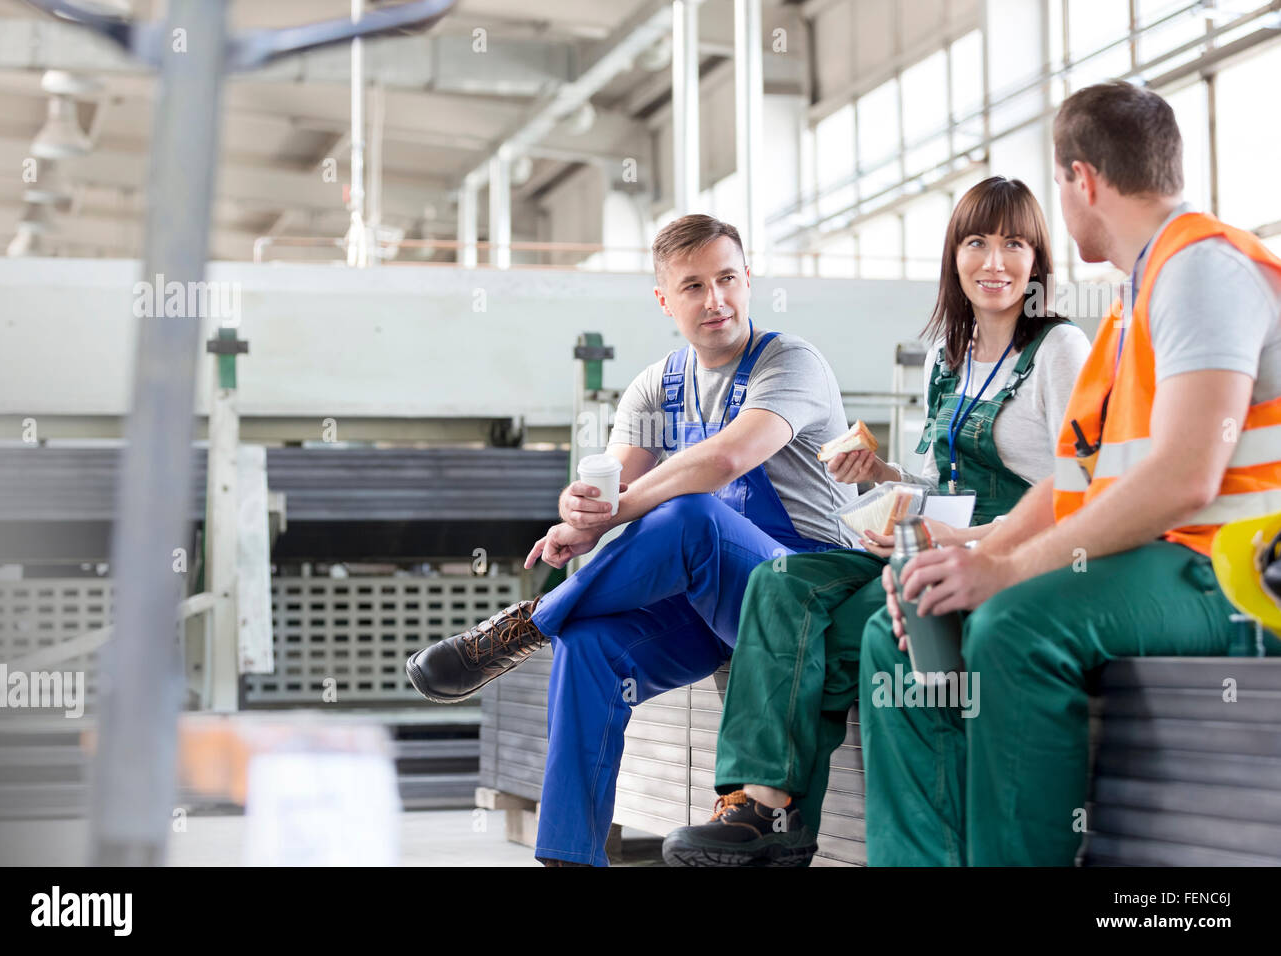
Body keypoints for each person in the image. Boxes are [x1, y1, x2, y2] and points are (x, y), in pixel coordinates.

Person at [864, 79, 1281, 866]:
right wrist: (979, 560)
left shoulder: (1203, 270)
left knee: (1017, 624)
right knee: (906, 632)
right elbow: (1075, 479)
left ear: (1080, 180)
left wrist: (1009, 574)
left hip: (1239, 571)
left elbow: (1188, 475)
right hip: (1172, 562)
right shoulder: (1133, 304)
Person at [661, 177, 1090, 866]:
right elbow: (931, 480)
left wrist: (965, 539)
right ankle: (758, 802)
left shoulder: (1060, 351)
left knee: (840, 641)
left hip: (1014, 551)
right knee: (779, 581)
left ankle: (784, 823)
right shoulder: (949, 358)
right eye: (976, 241)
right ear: (954, 257)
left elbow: (1080, 490)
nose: (995, 261)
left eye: (1015, 243)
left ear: (1039, 259)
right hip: (929, 539)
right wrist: (885, 478)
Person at [407, 214, 857, 866]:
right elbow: (612, 482)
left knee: (693, 513)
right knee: (588, 647)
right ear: (664, 300)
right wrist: (580, 511)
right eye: (694, 286)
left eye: (728, 279)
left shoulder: (790, 362)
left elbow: (728, 459)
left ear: (748, 279)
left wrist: (620, 511)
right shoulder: (657, 386)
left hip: (804, 592)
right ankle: (569, 856)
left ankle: (530, 623)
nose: (716, 300)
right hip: (717, 604)